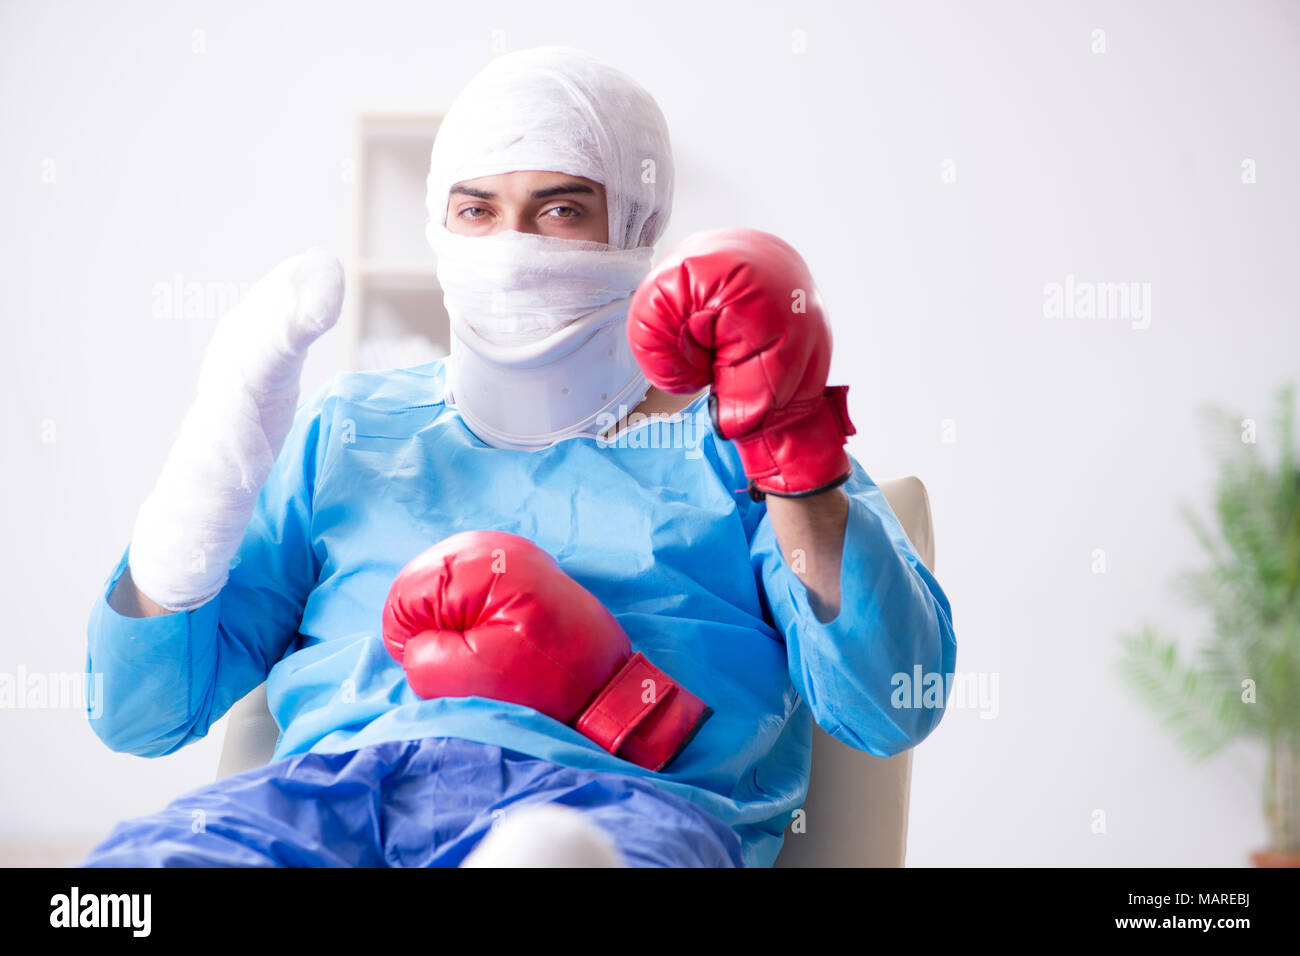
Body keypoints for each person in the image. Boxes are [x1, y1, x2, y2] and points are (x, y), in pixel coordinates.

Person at [81, 45, 956, 869]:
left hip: (622, 804)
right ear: (442, 223)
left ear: (638, 227)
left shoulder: (734, 440)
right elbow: (141, 711)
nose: (511, 245)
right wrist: (214, 452)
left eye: (561, 209)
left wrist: (787, 434)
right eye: (477, 209)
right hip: (336, 798)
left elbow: (890, 701)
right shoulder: (348, 428)